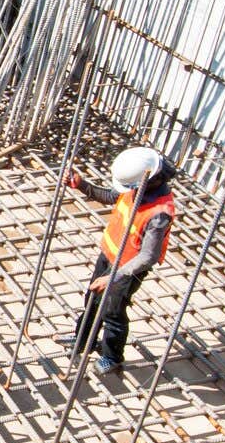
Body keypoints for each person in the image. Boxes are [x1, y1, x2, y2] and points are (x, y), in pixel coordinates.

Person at [61, 147, 178, 376]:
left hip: (127, 270)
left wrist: (113, 277)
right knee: (92, 300)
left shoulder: (159, 212)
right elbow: (109, 195)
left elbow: (148, 256)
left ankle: (112, 356)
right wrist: (81, 184)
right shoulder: (136, 189)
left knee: (113, 312)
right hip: (108, 256)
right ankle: (82, 339)